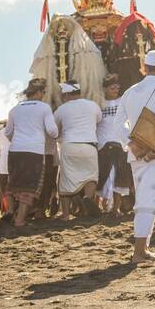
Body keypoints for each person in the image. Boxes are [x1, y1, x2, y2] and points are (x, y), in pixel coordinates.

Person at [119, 50, 155, 263]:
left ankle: (143, 248)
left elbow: (119, 124)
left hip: (137, 154)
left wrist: (132, 144)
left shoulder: (130, 91)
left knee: (143, 198)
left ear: (145, 67)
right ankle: (139, 251)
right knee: (149, 201)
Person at [4, 78, 58, 228]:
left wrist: (18, 139)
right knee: (30, 186)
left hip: (15, 149)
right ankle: (20, 220)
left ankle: (13, 212)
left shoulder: (15, 109)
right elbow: (52, 131)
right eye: (44, 92)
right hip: (34, 151)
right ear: (39, 92)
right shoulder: (44, 108)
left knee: (15, 183)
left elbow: (8, 132)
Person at [53, 81, 102, 220]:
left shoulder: (61, 109)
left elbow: (55, 129)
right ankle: (87, 197)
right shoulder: (93, 105)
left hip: (69, 145)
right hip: (89, 145)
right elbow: (99, 120)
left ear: (67, 93)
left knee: (66, 181)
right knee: (91, 177)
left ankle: (66, 215)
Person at [97, 75, 130, 218]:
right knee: (102, 176)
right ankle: (100, 206)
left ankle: (115, 208)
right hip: (102, 143)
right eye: (112, 88)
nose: (116, 90)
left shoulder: (123, 101)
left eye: (117, 87)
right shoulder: (99, 103)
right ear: (105, 88)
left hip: (121, 143)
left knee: (119, 177)